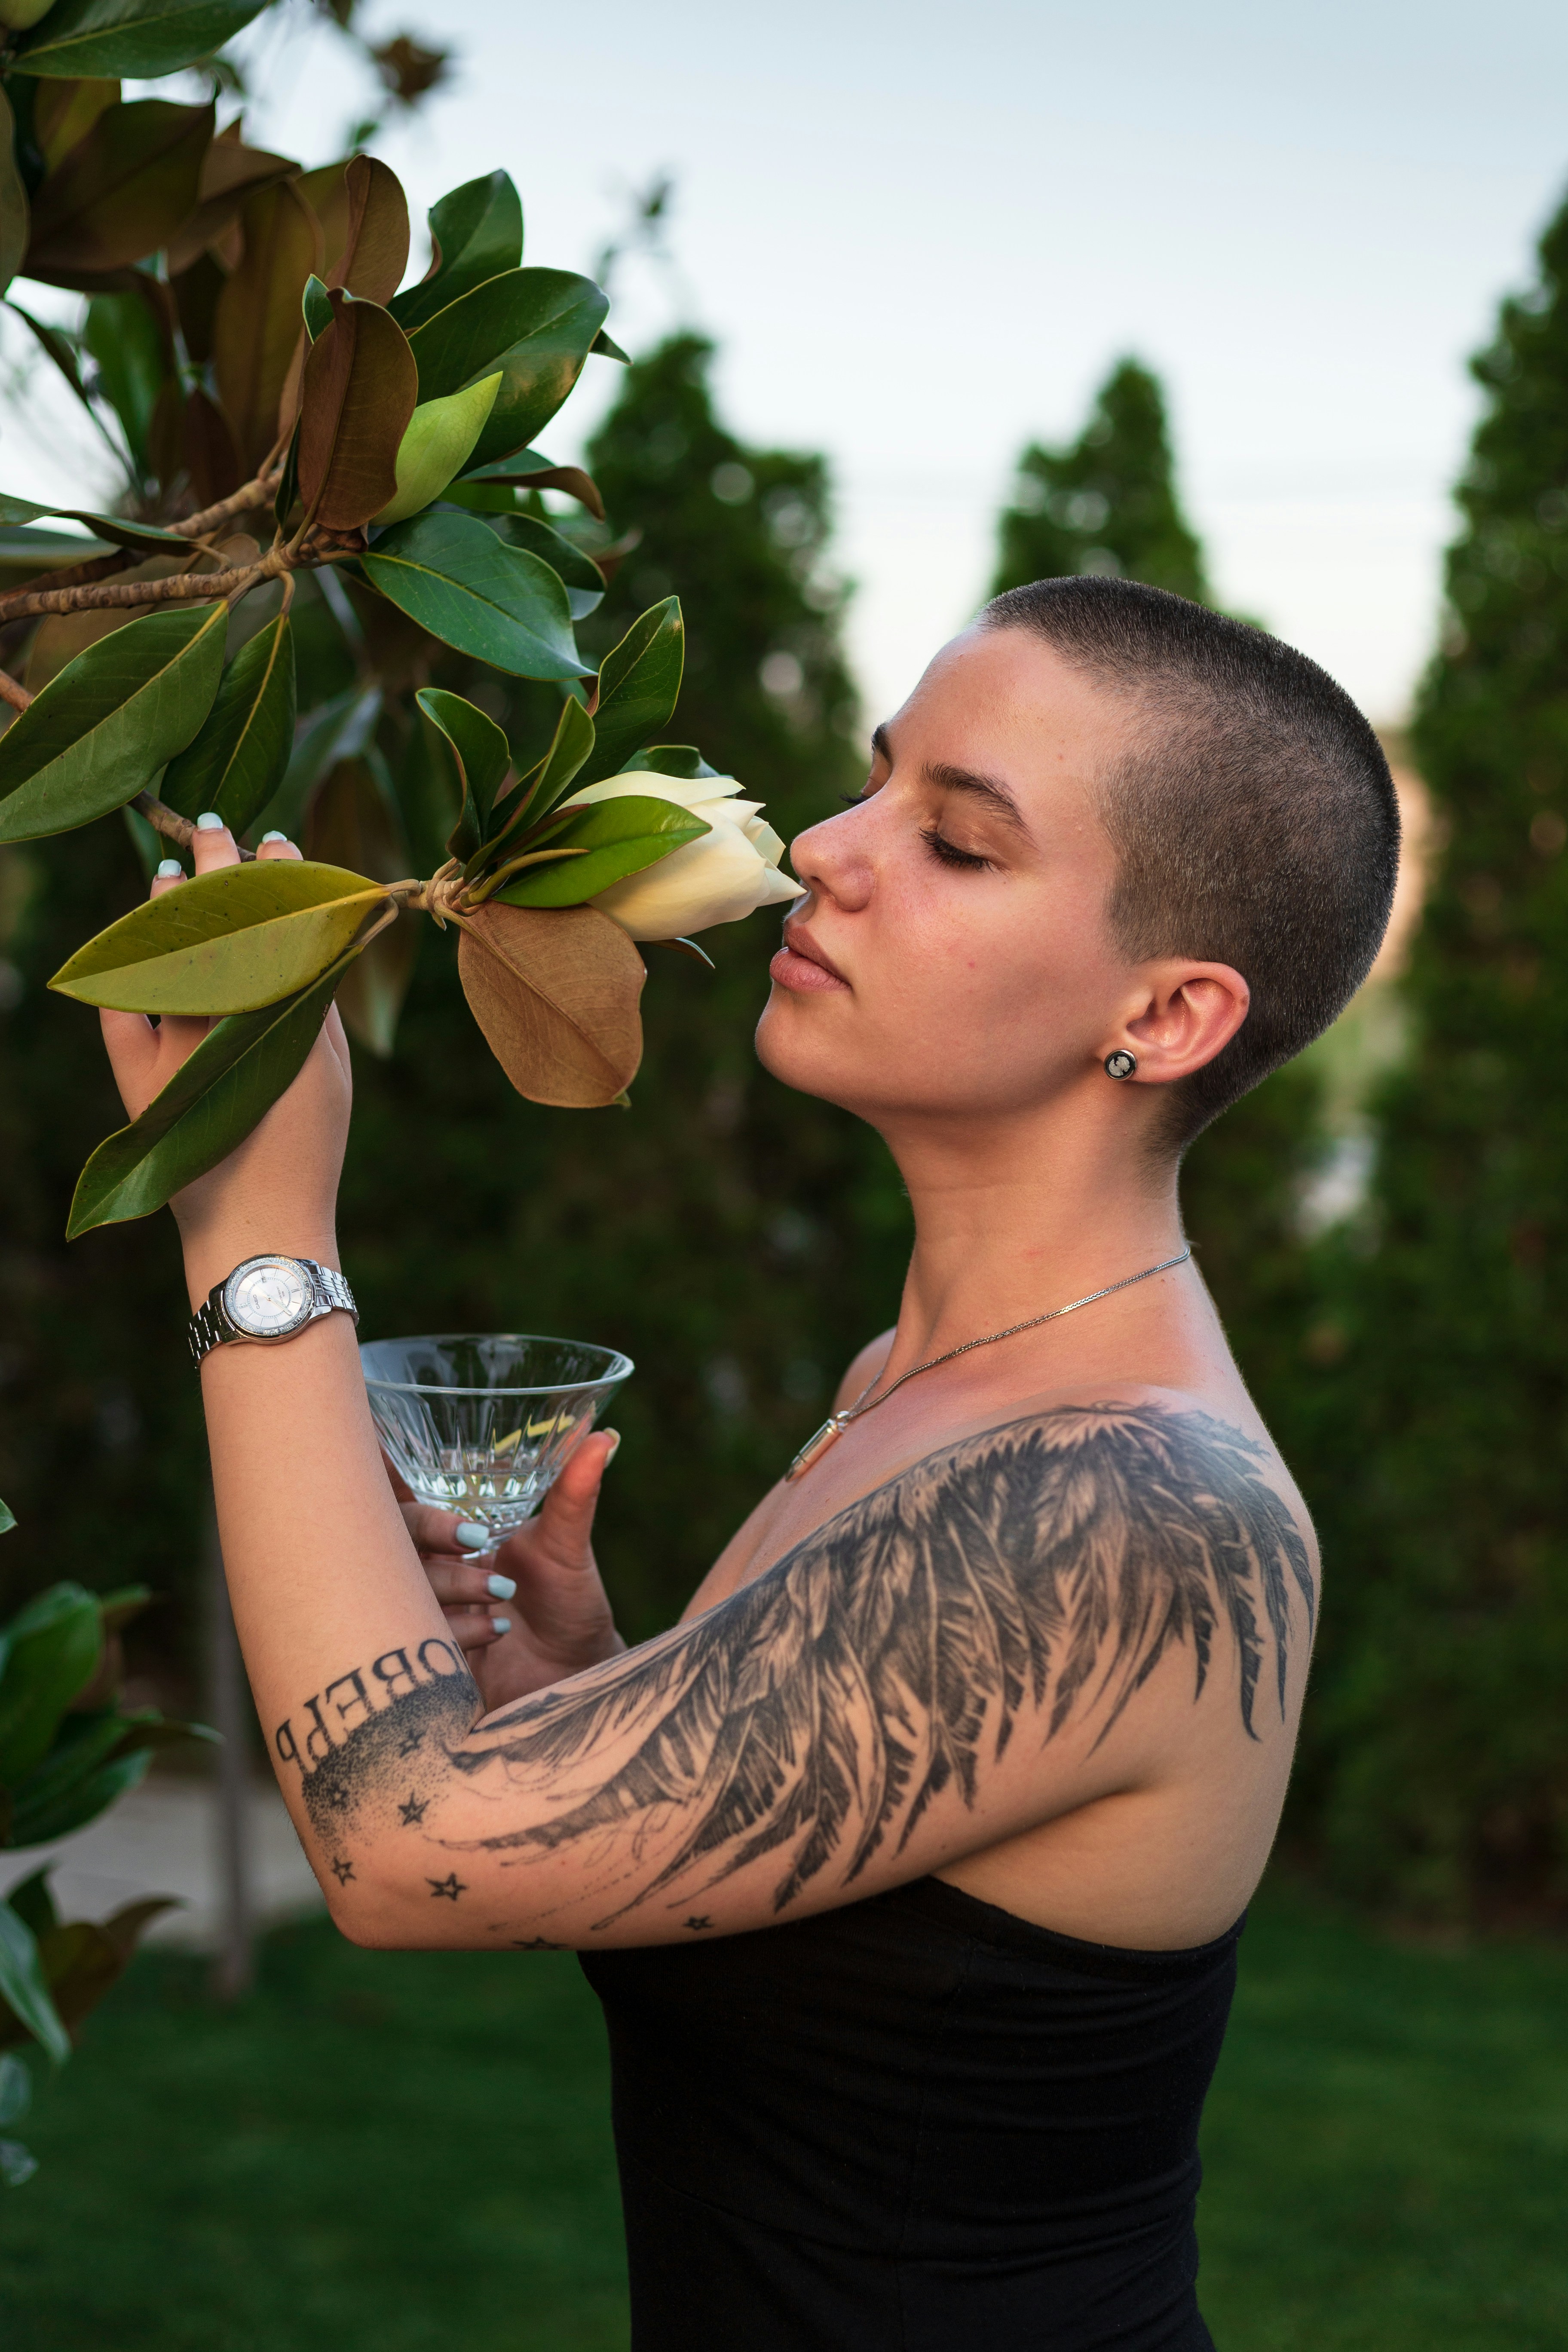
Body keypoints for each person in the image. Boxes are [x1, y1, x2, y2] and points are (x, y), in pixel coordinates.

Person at [100, 577, 1397, 2350]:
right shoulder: (914, 1382)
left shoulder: (1127, 1509)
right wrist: (604, 1697)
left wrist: (258, 1237)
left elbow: (408, 1853)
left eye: (956, 844)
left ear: (1167, 1017)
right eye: (878, 783)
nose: (822, 847)